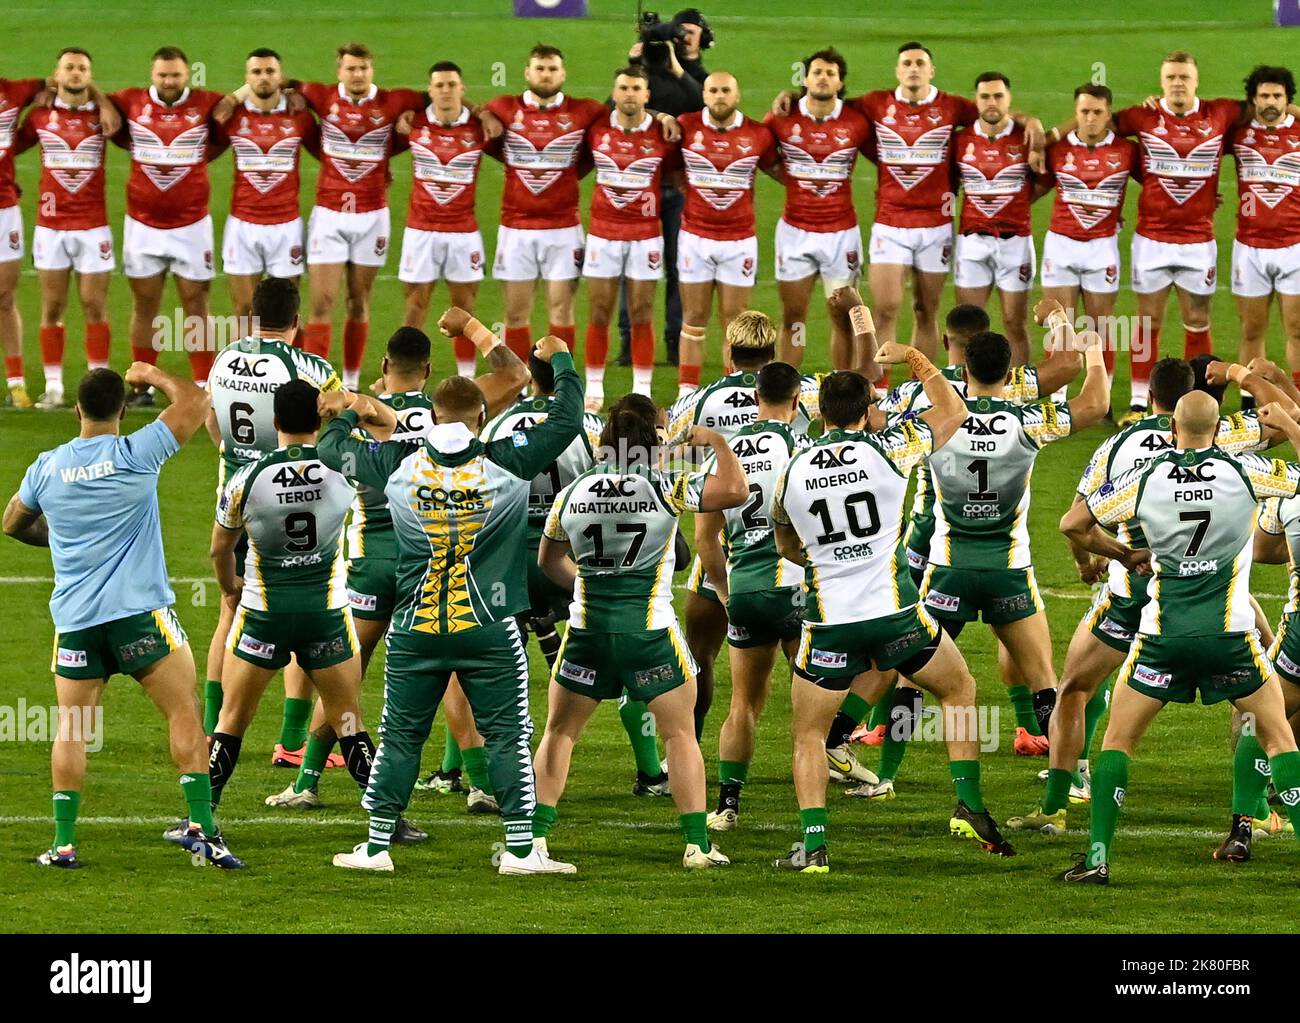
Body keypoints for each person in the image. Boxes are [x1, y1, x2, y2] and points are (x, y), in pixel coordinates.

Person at [318, 332, 583, 875]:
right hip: (489, 624)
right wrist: (559, 358)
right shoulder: (507, 460)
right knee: (508, 732)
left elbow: (330, 450)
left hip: (414, 627)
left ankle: (374, 847)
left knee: (399, 734)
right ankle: (519, 849)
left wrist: (345, 410)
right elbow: (566, 421)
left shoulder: (398, 463)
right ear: (482, 416)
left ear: (433, 416)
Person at [1008, 356, 1293, 834]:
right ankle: (1256, 809)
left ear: (1153, 399)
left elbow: (1077, 520)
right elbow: (1285, 420)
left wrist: (1105, 558)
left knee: (1076, 688)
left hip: (1134, 589)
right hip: (1215, 597)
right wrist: (1247, 379)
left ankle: (1058, 802)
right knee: (1257, 685)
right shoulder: (1225, 440)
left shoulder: (1117, 445)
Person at [771, 353, 1015, 871]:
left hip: (829, 625)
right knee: (959, 689)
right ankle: (969, 804)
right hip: (897, 616)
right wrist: (918, 363)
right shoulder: (890, 449)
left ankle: (814, 848)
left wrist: (824, 559)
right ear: (866, 411)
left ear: (820, 414)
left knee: (809, 734)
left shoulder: (792, 467)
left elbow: (786, 543)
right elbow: (955, 412)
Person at [1057, 393, 1300, 884]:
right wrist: (1292, 424)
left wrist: (1123, 555)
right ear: (1219, 427)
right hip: (1231, 635)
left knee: (1117, 742)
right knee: (1278, 739)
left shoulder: (1144, 477)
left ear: (1172, 424)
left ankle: (1097, 860)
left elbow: (1073, 525)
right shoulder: (1247, 470)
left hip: (1161, 639)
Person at [3, 362, 230, 868]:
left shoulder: (48, 466)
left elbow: (12, 523)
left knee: (72, 727)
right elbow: (196, 400)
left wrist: (59, 541)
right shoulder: (135, 451)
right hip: (139, 616)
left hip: (78, 621)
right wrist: (151, 372)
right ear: (123, 411)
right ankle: (203, 831)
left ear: (78, 409)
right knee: (184, 713)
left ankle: (63, 844)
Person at [203, 381, 425, 853]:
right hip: (326, 613)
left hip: (265, 612)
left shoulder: (248, 475)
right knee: (348, 719)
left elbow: (220, 548)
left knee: (232, 718)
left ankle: (201, 820)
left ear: (275, 423)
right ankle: (388, 820)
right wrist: (349, 407)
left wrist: (229, 587)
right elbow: (391, 424)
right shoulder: (345, 467)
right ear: (319, 419)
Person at [532, 397, 748, 868]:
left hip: (587, 631)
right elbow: (735, 491)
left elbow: (547, 560)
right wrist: (718, 442)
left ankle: (535, 843)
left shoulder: (573, 493)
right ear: (652, 439)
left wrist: (584, 587)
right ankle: (697, 845)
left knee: (560, 733)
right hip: (650, 634)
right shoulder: (665, 485)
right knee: (679, 735)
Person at [203, 277, 341, 770]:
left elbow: (211, 418)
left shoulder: (223, 359)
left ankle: (210, 734)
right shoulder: (312, 368)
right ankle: (291, 741)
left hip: (236, 497)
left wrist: (232, 455)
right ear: (297, 320)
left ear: (250, 316)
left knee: (229, 611)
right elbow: (339, 421)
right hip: (295, 503)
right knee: (306, 613)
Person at [696, 362, 809, 830]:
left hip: (744, 589)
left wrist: (725, 594)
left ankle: (727, 805)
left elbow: (705, 538)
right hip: (794, 587)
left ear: (754, 396)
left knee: (743, 703)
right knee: (811, 707)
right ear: (797, 400)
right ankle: (814, 813)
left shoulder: (725, 453)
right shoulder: (802, 448)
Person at [296, 42, 427, 388]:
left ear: (372, 70)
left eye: (363, 68)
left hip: (372, 215)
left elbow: (439, 103)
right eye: (351, 68)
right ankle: (315, 381)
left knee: (359, 299)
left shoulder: (394, 101)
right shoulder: (319, 95)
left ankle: (351, 380)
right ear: (339, 70)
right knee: (322, 300)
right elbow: (286, 86)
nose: (357, 75)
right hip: (329, 213)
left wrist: (405, 132)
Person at [16, 48, 115, 410]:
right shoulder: (40, 114)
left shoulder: (104, 115)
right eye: (69, 68)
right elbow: (9, 148)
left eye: (82, 68)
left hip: (93, 226)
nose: (76, 73)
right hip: (51, 227)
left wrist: (102, 101)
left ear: (90, 75)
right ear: (56, 73)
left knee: (94, 305)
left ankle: (100, 384)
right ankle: (54, 386)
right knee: (52, 305)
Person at [581, 65, 680, 405]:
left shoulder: (663, 134)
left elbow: (680, 173)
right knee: (599, 311)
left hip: (645, 235)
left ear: (646, 95)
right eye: (623, 88)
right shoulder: (594, 129)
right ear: (615, 92)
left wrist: (664, 116)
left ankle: (642, 390)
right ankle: (594, 388)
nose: (629, 94)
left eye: (636, 88)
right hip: (602, 234)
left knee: (641, 312)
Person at [618, 7, 711, 367]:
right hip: (638, 189)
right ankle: (628, 342)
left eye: (692, 32)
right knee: (632, 268)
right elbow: (619, 108)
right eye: (679, 33)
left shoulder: (699, 77)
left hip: (676, 191)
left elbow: (708, 104)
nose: (685, 39)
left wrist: (675, 69)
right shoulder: (641, 76)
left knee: (677, 267)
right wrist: (636, 66)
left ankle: (674, 341)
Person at [394, 62, 489, 380]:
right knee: (415, 306)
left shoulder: (480, 127)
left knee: (464, 308)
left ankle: (466, 379)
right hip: (421, 231)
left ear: (462, 89)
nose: (446, 90)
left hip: (463, 232)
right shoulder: (415, 123)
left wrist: (481, 111)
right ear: (429, 90)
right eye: (439, 85)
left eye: (452, 84)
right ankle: (405, 376)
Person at [213, 49, 317, 326]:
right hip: (242, 226)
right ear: (247, 78)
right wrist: (235, 97)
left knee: (286, 310)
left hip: (286, 226)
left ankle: (288, 368)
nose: (263, 78)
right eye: (256, 72)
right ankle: (244, 368)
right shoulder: (233, 116)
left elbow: (327, 152)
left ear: (280, 77)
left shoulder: (299, 116)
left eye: (270, 71)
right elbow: (205, 138)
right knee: (245, 308)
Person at [1230, 65, 1300, 396]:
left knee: (1297, 329)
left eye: (1277, 96)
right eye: (1264, 96)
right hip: (1250, 247)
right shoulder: (1238, 132)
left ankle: (1298, 397)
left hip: (1294, 245)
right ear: (1253, 99)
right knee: (1252, 328)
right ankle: (1250, 401)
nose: (1270, 102)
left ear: (1288, 98)